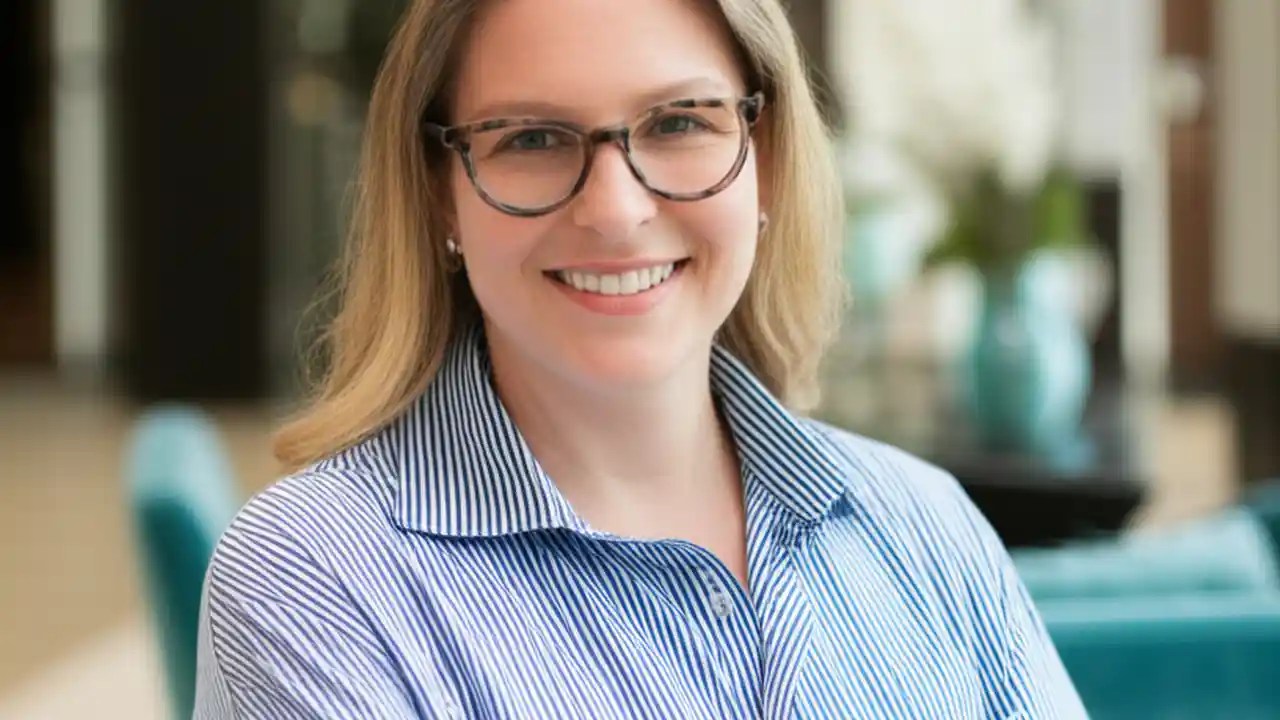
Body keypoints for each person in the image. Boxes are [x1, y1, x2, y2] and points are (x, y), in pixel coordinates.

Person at [194, 0, 1087, 717]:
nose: (616, 211)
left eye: (677, 122)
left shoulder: (925, 528)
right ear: (441, 197)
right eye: (533, 140)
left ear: (763, 160)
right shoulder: (316, 582)